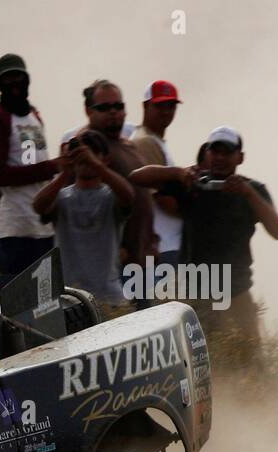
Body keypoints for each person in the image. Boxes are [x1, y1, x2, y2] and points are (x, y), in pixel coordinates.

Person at [131, 126, 278, 368]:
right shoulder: (192, 183)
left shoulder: (252, 190)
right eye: (216, 151)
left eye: (227, 152)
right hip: (197, 294)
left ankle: (257, 402)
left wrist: (249, 194)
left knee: (253, 362)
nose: (220, 158)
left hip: (238, 292)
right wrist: (177, 173)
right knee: (200, 364)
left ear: (240, 157)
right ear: (208, 153)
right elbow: (137, 177)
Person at [32, 129, 134, 312]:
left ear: (106, 159)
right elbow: (38, 205)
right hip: (69, 299)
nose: (85, 159)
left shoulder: (111, 196)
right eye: (79, 153)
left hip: (109, 297)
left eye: (93, 152)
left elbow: (128, 196)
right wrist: (64, 172)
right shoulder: (61, 197)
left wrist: (98, 167)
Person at [62, 80, 153, 280]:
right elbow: (73, 205)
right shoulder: (84, 149)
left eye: (118, 106)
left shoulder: (128, 145)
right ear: (89, 111)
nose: (113, 112)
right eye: (104, 107)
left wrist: (151, 242)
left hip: (139, 262)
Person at [0, 53, 60, 274]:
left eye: (18, 76)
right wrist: (53, 167)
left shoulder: (34, 115)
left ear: (27, 79)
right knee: (23, 303)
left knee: (46, 301)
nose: (14, 83)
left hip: (42, 226)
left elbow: (39, 161)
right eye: (8, 78)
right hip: (16, 229)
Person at [132, 81, 184, 278]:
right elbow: (163, 200)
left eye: (171, 105)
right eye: (160, 105)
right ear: (146, 106)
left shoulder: (154, 141)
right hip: (163, 248)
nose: (166, 111)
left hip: (165, 247)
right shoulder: (146, 142)